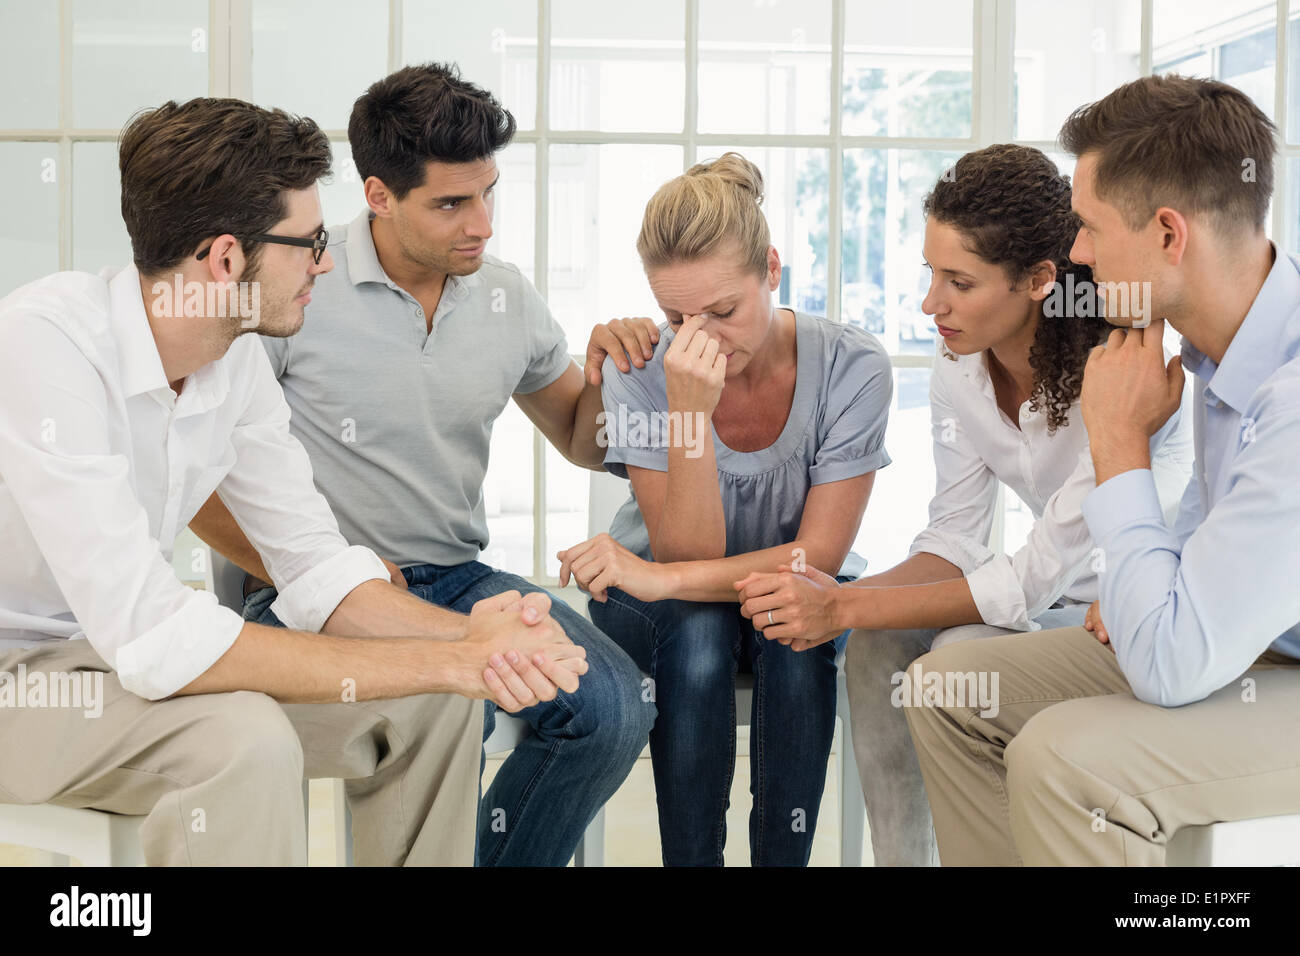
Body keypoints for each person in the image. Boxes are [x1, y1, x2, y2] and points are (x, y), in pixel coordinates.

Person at [0, 97, 585, 866]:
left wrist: (474, 641)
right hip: (25, 686)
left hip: (121, 667)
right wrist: (446, 652)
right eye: (309, 243)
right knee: (243, 738)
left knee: (441, 704)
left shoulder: (232, 357)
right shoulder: (44, 344)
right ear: (225, 259)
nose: (327, 261)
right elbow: (149, 633)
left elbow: (313, 566)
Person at [188, 63, 655, 867]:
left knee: (612, 709)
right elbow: (197, 487)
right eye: (450, 204)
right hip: (304, 588)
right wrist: (336, 576)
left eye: (488, 194)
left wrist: (614, 370)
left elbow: (582, 441)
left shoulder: (503, 296)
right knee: (450, 711)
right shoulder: (295, 291)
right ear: (378, 196)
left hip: (457, 573)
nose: (481, 224)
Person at [734, 143, 1193, 865]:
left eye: (960, 281)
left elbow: (1027, 579)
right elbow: (953, 534)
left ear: (1040, 280)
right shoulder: (959, 367)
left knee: (946, 656)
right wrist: (825, 594)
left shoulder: (1120, 376)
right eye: (930, 273)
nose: (930, 303)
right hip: (1048, 608)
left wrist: (844, 608)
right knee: (879, 648)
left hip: (1131, 616)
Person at [903, 74, 1300, 865]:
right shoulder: (1215, 350)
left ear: (1166, 234)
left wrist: (1119, 442)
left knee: (1065, 759)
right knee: (944, 688)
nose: (1077, 252)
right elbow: (1208, 530)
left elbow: (1170, 663)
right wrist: (1154, 582)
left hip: (1265, 662)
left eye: (1088, 227)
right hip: (1249, 641)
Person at [557, 152, 894, 866]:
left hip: (718, 584)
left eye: (723, 310)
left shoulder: (852, 367)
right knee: (703, 637)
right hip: (655, 596)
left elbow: (817, 560)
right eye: (675, 314)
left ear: (772, 268)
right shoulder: (646, 369)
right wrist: (688, 414)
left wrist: (667, 580)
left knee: (795, 624)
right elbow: (685, 553)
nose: (698, 337)